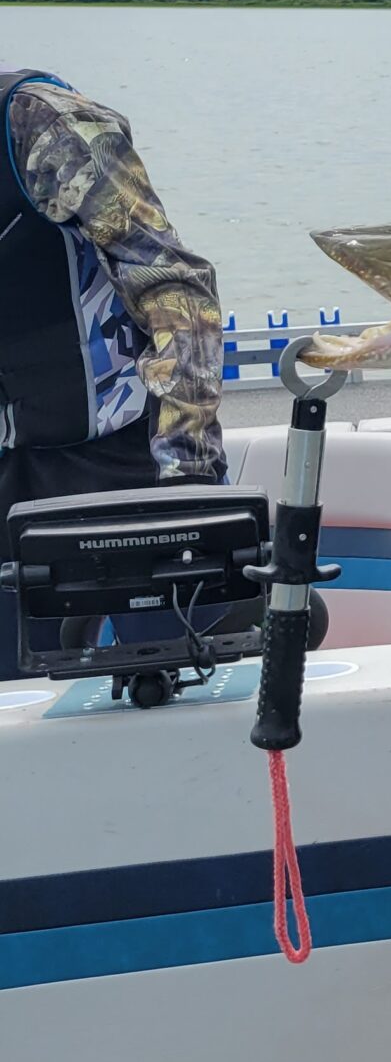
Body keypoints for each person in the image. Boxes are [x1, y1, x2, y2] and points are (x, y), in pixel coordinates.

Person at [0, 65, 227, 672]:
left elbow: (176, 286)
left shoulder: (44, 126)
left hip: (116, 458)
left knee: (178, 677)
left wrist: (189, 470)